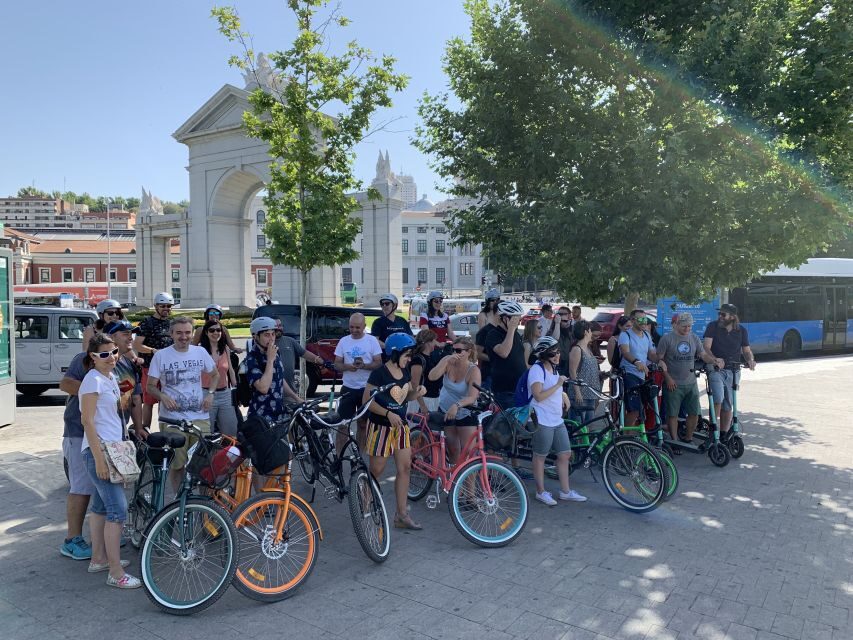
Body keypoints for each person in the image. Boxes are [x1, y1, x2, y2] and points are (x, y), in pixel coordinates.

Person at [78, 334, 140, 588]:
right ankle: (115, 573)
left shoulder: (110, 377)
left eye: (114, 352)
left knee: (102, 506)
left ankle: (99, 559)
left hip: (111, 447)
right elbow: (87, 421)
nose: (112, 357)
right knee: (118, 509)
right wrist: (99, 460)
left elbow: (113, 413)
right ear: (93, 357)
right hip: (100, 450)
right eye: (104, 354)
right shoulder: (92, 380)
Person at [146, 316, 218, 492]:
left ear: (193, 334)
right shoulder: (161, 356)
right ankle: (180, 505)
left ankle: (203, 505)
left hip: (199, 417)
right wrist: (162, 396)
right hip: (172, 420)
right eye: (179, 333)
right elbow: (149, 386)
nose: (183, 337)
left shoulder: (200, 352)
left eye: (187, 332)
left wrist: (210, 394)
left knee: (204, 465)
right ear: (171, 334)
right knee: (177, 465)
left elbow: (215, 375)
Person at [364, 333, 425, 530]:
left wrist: (417, 393)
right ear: (394, 353)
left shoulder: (404, 371)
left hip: (401, 428)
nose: (409, 359)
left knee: (405, 468)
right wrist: (387, 413)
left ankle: (401, 514)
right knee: (377, 470)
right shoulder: (379, 374)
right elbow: (367, 401)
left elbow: (404, 398)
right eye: (407, 355)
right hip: (381, 427)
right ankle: (364, 502)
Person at [528, 336, 587, 506]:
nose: (557, 355)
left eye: (558, 352)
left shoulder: (554, 370)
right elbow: (538, 396)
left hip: (556, 418)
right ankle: (541, 492)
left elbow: (552, 388)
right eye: (553, 353)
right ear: (544, 354)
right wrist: (558, 385)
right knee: (540, 456)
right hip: (541, 419)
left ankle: (566, 491)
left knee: (565, 454)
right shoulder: (537, 370)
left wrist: (563, 393)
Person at [657, 313, 722, 445]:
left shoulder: (694, 338)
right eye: (684, 326)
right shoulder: (667, 339)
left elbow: (703, 354)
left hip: (691, 382)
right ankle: (674, 441)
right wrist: (667, 378)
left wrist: (714, 360)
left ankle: (688, 437)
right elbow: (659, 359)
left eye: (689, 326)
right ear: (677, 325)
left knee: (693, 413)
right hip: (673, 382)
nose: (687, 329)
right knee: (672, 414)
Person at [703, 303, 756, 439]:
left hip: (733, 370)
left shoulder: (741, 331)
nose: (720, 316)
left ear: (732, 317)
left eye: (723, 314)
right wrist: (715, 359)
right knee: (718, 399)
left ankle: (724, 433)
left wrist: (750, 360)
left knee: (728, 404)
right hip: (716, 369)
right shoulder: (712, 327)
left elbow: (746, 350)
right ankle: (713, 430)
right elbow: (706, 347)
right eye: (719, 314)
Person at [334, 312, 383, 450]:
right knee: (342, 425)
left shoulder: (372, 341)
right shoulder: (344, 341)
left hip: (366, 389)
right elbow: (337, 364)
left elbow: (379, 363)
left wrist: (365, 366)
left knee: (363, 424)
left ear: (364, 326)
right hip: (348, 388)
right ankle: (339, 459)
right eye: (351, 327)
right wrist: (348, 367)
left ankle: (360, 458)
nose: (354, 330)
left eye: (357, 327)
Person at [429, 336, 482, 464]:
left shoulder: (473, 370)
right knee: (453, 449)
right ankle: (453, 480)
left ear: (468, 352)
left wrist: (457, 405)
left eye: (459, 351)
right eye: (453, 350)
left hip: (465, 411)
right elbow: (432, 376)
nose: (455, 353)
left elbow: (472, 396)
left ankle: (469, 484)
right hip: (446, 410)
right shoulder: (448, 361)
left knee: (468, 452)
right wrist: (446, 360)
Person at [133, 292, 175, 431]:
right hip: (150, 368)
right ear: (156, 306)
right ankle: (146, 430)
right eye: (163, 306)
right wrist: (153, 351)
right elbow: (137, 345)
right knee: (149, 401)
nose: (166, 309)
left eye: (169, 306)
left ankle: (164, 430)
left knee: (165, 400)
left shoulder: (171, 323)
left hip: (168, 369)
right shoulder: (147, 322)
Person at [618, 309, 666, 427]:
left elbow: (651, 354)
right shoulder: (625, 334)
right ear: (633, 320)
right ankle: (625, 437)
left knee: (643, 407)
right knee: (634, 409)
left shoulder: (646, 335)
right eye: (640, 319)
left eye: (645, 319)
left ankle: (634, 435)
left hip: (642, 375)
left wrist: (660, 361)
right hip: (629, 373)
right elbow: (625, 352)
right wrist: (637, 362)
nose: (644, 322)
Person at [244, 316, 295, 422]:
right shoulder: (252, 359)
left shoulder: (274, 353)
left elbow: (279, 379)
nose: (271, 338)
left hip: (279, 413)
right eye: (266, 335)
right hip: (261, 417)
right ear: (255, 337)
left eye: (273, 334)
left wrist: (296, 397)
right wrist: (270, 360)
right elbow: (263, 388)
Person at [483, 300, 527, 411]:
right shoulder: (493, 335)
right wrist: (511, 329)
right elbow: (504, 352)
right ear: (505, 318)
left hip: (519, 388)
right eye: (516, 319)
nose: (518, 323)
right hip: (505, 391)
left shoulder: (515, 334)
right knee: (507, 425)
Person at [199, 318, 239, 437]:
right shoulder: (200, 351)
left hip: (225, 394)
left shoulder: (225, 349)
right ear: (206, 332)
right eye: (212, 330)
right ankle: (209, 456)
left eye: (218, 330)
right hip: (206, 394)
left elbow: (230, 370)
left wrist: (236, 389)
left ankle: (227, 455)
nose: (216, 333)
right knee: (206, 433)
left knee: (231, 431)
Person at [272, 318, 322, 401]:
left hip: (290, 393)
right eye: (276, 326)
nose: (279, 328)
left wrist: (318, 359)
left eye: (280, 325)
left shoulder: (290, 341)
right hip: (272, 393)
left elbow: (304, 353)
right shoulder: (266, 344)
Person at [567, 320, 602, 426]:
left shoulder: (587, 347)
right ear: (586, 332)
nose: (592, 333)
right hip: (581, 394)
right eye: (590, 330)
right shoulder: (577, 349)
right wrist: (577, 392)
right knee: (577, 426)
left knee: (587, 425)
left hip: (591, 393)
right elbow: (572, 371)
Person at [408, 329, 441, 414]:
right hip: (422, 400)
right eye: (434, 341)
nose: (436, 343)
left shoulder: (431, 357)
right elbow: (415, 384)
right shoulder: (418, 359)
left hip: (433, 398)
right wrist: (422, 405)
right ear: (428, 342)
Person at [555, 306, 574, 375]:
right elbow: (554, 339)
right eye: (559, 313)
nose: (561, 315)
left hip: (569, 364)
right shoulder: (554, 329)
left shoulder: (572, 330)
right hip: (557, 365)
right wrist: (557, 323)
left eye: (564, 313)